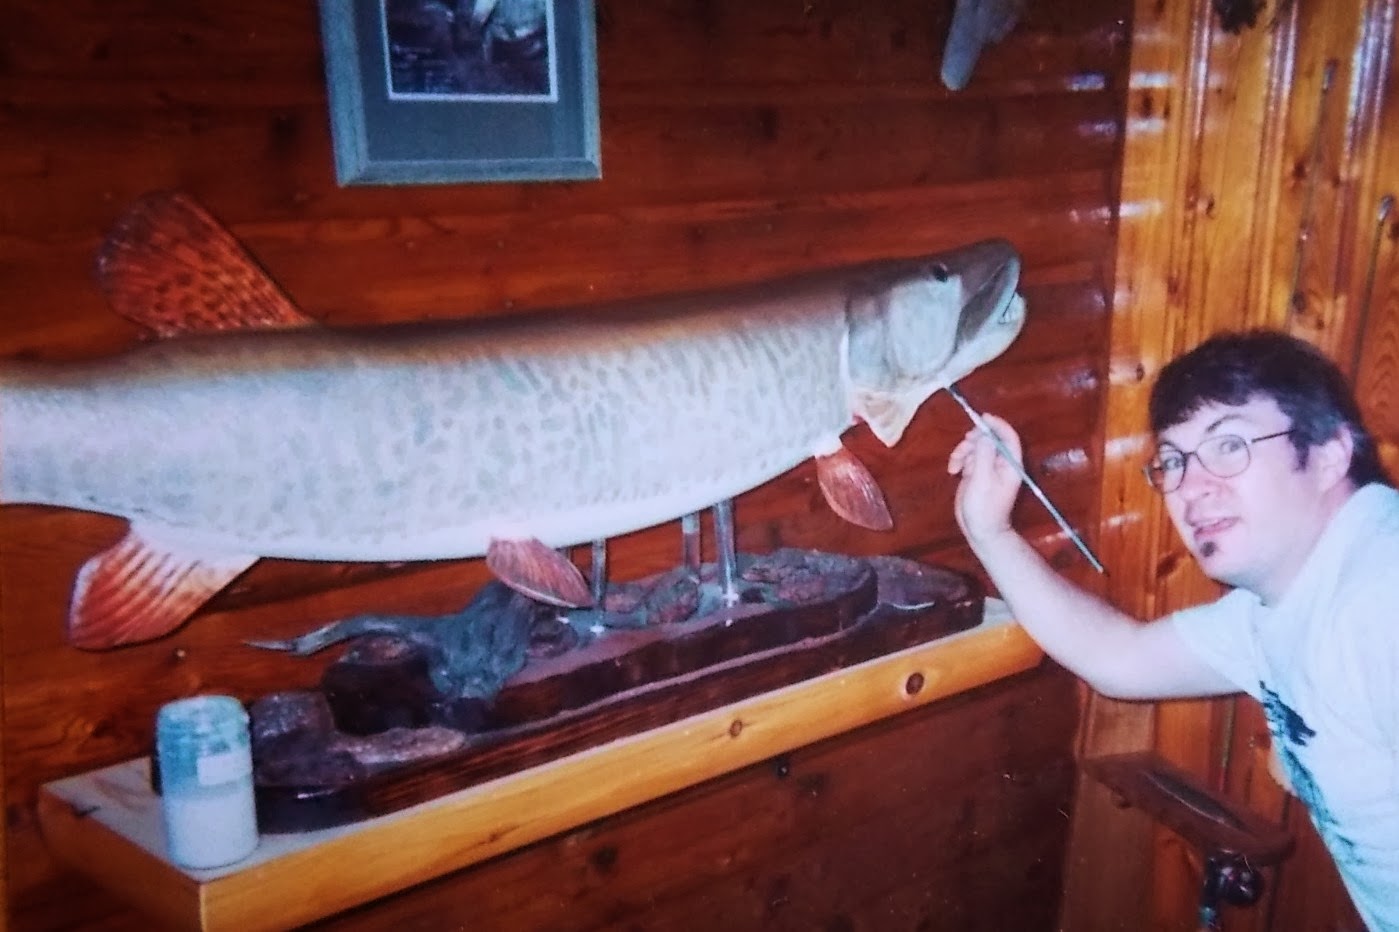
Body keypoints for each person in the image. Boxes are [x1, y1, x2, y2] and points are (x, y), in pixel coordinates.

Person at [947, 329, 1399, 932]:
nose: (1192, 487)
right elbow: (1121, 659)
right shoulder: (1280, 603)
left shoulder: (1380, 594)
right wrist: (989, 530)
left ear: (1327, 454)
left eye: (1230, 445)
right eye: (1174, 460)